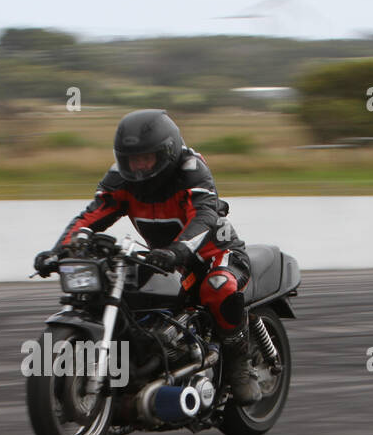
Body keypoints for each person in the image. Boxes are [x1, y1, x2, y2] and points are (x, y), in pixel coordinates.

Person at [33, 109, 261, 405]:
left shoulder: (191, 169)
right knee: (120, 286)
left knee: (218, 287)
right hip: (164, 257)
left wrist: (178, 249)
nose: (138, 167)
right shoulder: (120, 179)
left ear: (167, 152)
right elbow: (91, 216)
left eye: (146, 158)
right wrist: (58, 250)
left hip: (214, 254)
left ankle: (238, 367)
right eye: (131, 160)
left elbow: (204, 215)